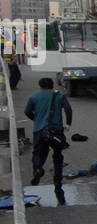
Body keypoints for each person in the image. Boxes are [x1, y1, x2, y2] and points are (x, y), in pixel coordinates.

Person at [24, 76, 72, 205]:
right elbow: (68, 109)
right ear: (52, 86)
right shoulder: (59, 95)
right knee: (57, 155)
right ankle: (57, 181)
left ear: (39, 86)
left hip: (40, 131)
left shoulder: (34, 97)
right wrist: (67, 124)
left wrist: (37, 119)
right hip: (55, 131)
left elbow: (27, 111)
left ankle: (38, 169)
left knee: (38, 153)